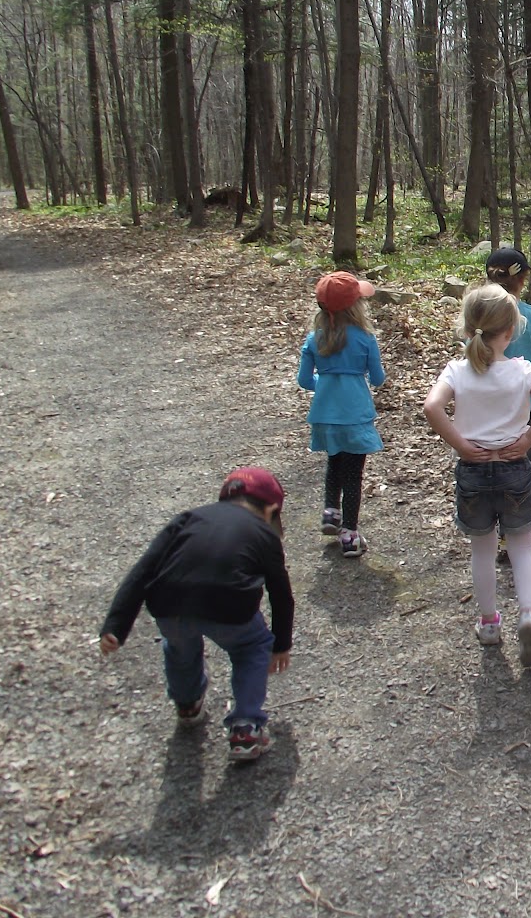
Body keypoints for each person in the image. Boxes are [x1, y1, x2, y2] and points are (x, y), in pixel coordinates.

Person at [99, 467, 295, 763]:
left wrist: (116, 625)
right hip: (229, 604)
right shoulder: (264, 535)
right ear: (270, 509)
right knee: (251, 647)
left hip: (170, 602)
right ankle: (246, 727)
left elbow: (142, 571)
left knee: (180, 646)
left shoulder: (187, 518)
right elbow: (280, 593)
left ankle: (188, 704)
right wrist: (280, 643)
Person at [423, 283, 531, 666]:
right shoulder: (522, 369)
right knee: (521, 545)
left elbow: (431, 408)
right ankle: (529, 614)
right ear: (510, 332)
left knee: (482, 549)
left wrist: (462, 444)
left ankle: (488, 623)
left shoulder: (456, 371)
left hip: (473, 468)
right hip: (515, 465)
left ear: (469, 329)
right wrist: (529, 437)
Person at [297, 270, 385, 558]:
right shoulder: (365, 339)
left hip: (324, 413)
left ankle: (330, 512)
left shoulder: (314, 339)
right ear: (356, 306)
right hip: (355, 414)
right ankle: (349, 533)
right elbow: (378, 378)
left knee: (334, 462)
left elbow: (304, 381)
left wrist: (325, 381)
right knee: (354, 474)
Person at [484, 246, 531, 563]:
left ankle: (487, 529)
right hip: (529, 406)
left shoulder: (480, 313)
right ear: (523, 278)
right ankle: (510, 537)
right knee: (521, 467)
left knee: (491, 464)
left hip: (488, 403)